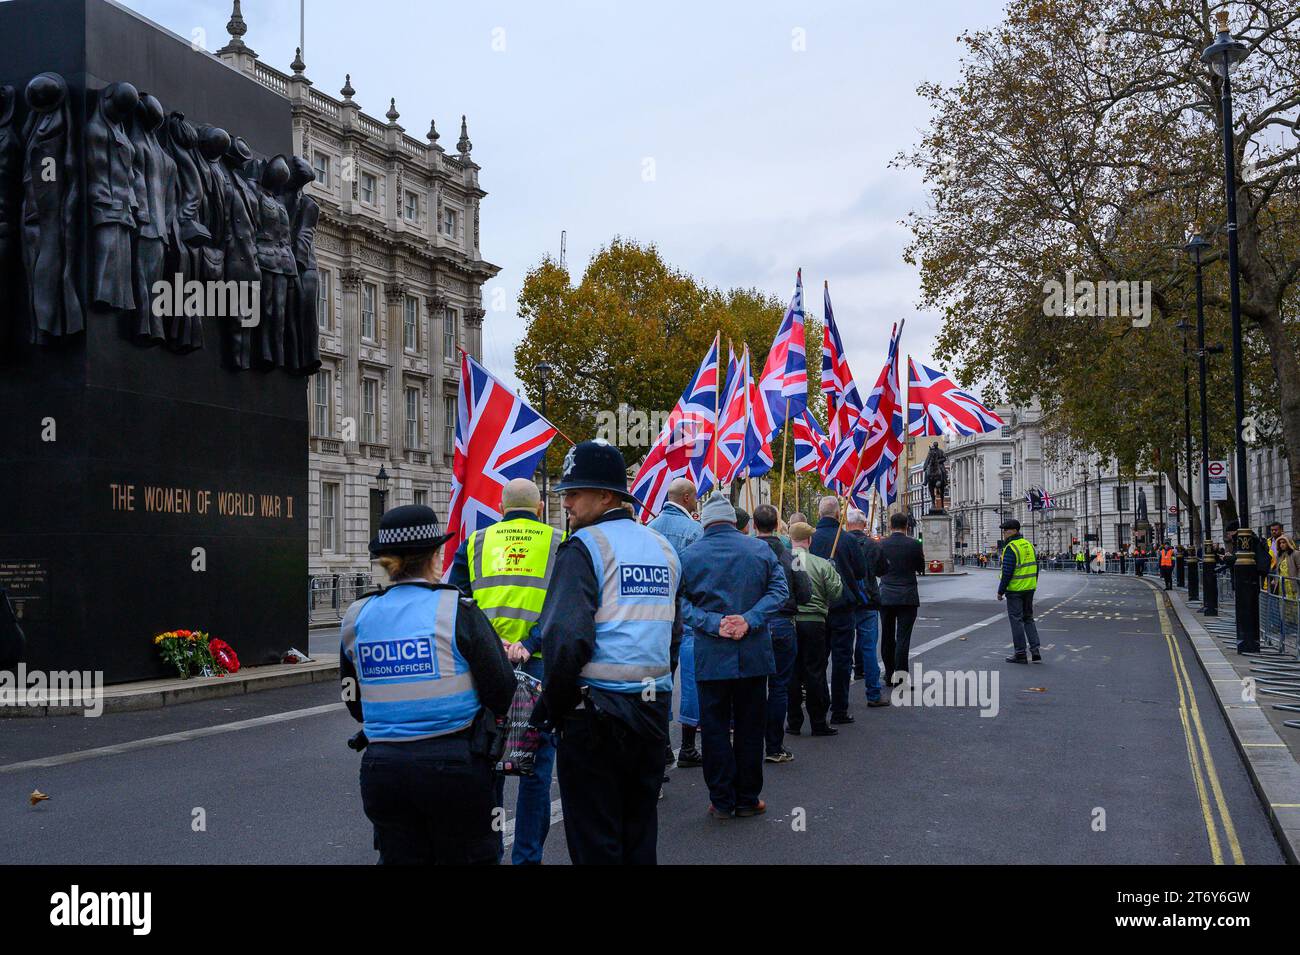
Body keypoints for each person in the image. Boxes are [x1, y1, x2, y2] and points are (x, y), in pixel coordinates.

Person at [532, 440, 682, 865]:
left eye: (574, 493)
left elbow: (564, 637)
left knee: (596, 841)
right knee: (639, 834)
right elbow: (673, 632)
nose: (566, 503)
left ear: (606, 496)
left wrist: (555, 706)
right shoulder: (663, 549)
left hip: (594, 717)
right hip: (651, 713)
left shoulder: (584, 548)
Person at [340, 504, 516, 864]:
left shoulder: (357, 617)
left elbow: (354, 701)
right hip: (454, 766)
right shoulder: (458, 610)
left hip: (383, 770)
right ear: (437, 555)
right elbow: (502, 689)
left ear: (386, 560)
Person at [448, 478, 562, 866]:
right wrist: (528, 643)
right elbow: (563, 608)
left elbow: (458, 604)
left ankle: (491, 852)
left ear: (500, 507)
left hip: (486, 669)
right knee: (535, 769)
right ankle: (527, 857)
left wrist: (492, 645)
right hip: (538, 665)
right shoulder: (559, 541)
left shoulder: (476, 542)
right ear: (540, 508)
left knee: (489, 761)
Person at [679, 497, 788, 818]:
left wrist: (713, 624)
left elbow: (679, 604)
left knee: (713, 730)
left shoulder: (688, 556)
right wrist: (750, 619)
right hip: (753, 654)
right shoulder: (760, 550)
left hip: (711, 656)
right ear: (734, 522)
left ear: (705, 522)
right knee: (750, 728)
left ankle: (722, 799)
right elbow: (780, 593)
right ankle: (748, 797)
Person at [648, 478, 703, 769]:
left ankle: (664, 746)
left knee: (660, 679)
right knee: (691, 680)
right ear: (685, 497)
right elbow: (697, 577)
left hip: (657, 614)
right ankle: (689, 746)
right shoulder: (695, 530)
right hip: (686, 611)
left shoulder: (649, 529)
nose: (697, 501)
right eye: (695, 497)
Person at [753, 503, 811, 763]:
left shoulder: (746, 553)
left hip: (754, 624)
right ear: (777, 525)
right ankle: (774, 746)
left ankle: (750, 743)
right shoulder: (792, 556)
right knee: (779, 687)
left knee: (754, 687)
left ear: (754, 526)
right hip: (783, 623)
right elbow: (806, 592)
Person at [811, 496, 868, 724]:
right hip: (843, 607)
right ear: (837, 515)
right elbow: (861, 571)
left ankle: (818, 705)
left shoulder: (811, 540)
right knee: (842, 660)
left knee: (817, 660)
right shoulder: (847, 540)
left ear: (819, 514)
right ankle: (839, 709)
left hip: (817, 608)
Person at [787, 522, 843, 736]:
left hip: (790, 621)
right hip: (815, 621)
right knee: (815, 672)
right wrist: (833, 572)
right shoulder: (821, 564)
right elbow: (836, 592)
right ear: (809, 540)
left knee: (792, 672)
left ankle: (793, 722)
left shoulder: (784, 561)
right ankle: (818, 721)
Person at [846, 508, 890, 707]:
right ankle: (873, 693)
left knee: (843, 649)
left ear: (847, 524)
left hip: (846, 600)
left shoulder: (842, 542)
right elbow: (883, 569)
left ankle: (840, 696)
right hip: (869, 599)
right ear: (864, 525)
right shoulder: (873, 544)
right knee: (869, 648)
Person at [878, 511, 926, 685]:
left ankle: (888, 674)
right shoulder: (914, 545)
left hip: (886, 595)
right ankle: (901, 676)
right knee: (903, 638)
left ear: (890, 526)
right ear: (907, 526)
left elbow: (877, 568)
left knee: (887, 636)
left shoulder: (882, 545)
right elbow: (921, 567)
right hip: (907, 596)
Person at [997, 518, 1041, 664]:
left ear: (1015, 531)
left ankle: (1020, 653)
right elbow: (1036, 567)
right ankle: (1035, 651)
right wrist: (1033, 583)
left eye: (1007, 530)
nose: (1004, 533)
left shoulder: (1011, 547)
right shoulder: (1028, 545)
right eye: (1004, 531)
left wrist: (1000, 591)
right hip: (1029, 588)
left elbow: (1007, 571)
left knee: (1016, 621)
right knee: (1028, 618)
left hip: (1015, 590)